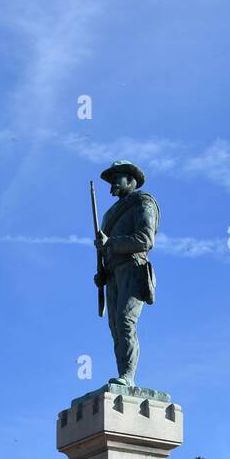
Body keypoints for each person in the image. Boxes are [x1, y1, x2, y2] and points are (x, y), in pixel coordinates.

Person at [93, 160, 159, 389]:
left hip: (133, 268)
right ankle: (122, 374)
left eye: (116, 179)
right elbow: (106, 250)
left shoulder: (143, 202)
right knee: (115, 327)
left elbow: (145, 240)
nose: (111, 185)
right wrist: (102, 272)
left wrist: (110, 242)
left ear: (131, 180)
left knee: (125, 322)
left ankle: (127, 377)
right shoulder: (109, 215)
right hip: (113, 275)